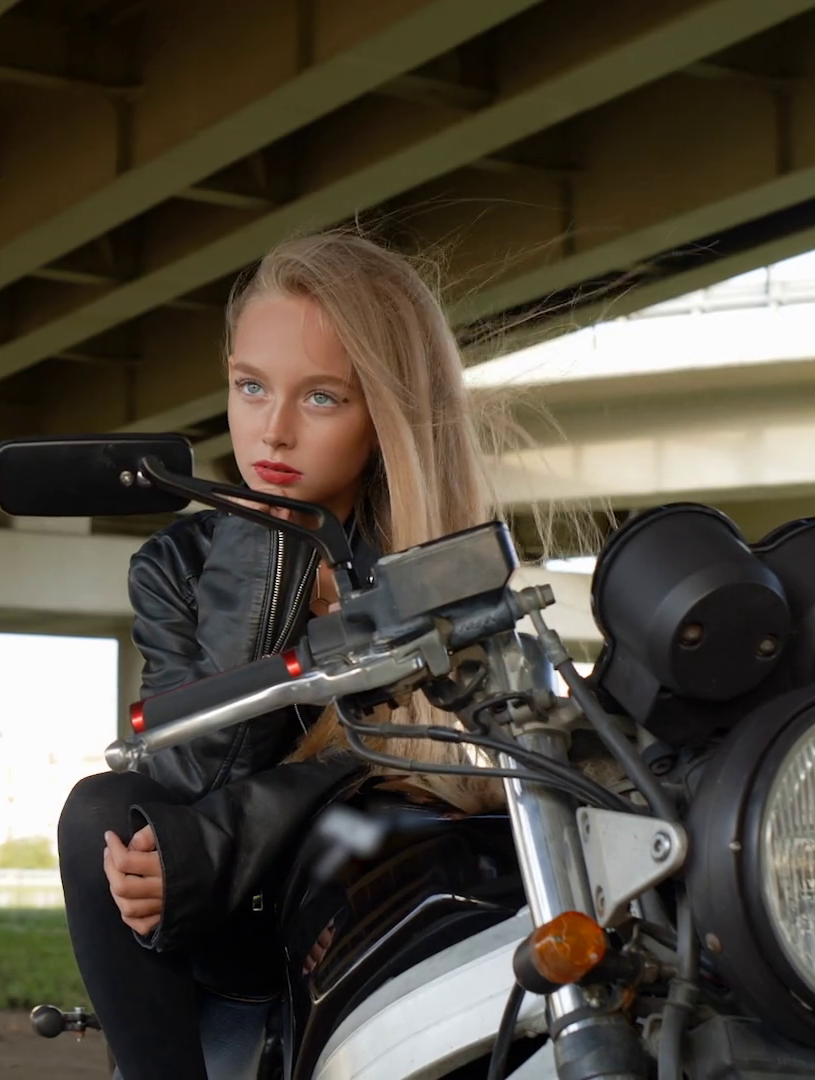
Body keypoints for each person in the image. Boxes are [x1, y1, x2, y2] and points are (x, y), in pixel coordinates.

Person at [56, 229, 527, 1080]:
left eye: (320, 399)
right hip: (226, 924)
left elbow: (466, 776)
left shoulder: (445, 564)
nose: (270, 432)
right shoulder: (177, 565)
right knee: (104, 812)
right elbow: (194, 777)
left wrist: (268, 813)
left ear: (385, 415)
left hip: (389, 903)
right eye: (249, 387)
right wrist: (263, 545)